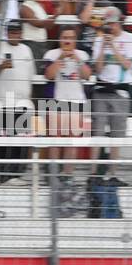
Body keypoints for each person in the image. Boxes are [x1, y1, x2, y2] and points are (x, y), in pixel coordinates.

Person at [90, 6, 132, 167]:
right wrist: (103, 48)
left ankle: (113, 173)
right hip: (101, 90)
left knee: (117, 135)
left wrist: (112, 46)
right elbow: (97, 69)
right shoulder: (99, 40)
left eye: (112, 23)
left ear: (120, 22)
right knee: (97, 132)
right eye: (107, 24)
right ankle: (93, 172)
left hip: (121, 90)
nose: (110, 27)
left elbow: (128, 65)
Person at [0, 20, 36, 180]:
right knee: (3, 143)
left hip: (23, 104)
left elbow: (31, 77)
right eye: (11, 32)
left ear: (21, 33)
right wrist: (0, 67)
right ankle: (4, 175)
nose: (14, 35)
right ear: (6, 33)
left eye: (17, 32)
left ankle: (18, 175)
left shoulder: (27, 50)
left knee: (20, 143)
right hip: (2, 103)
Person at [42, 26, 92, 174]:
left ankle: (67, 175)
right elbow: (48, 75)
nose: (67, 41)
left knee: (72, 141)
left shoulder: (82, 54)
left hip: (78, 101)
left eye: (70, 38)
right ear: (60, 39)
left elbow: (87, 75)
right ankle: (53, 174)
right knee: (55, 140)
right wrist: (60, 59)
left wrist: (76, 59)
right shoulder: (52, 54)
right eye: (65, 37)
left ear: (75, 40)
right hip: (56, 100)